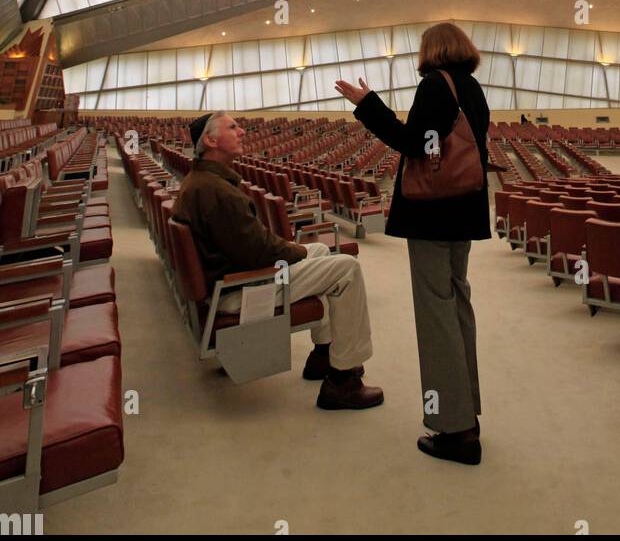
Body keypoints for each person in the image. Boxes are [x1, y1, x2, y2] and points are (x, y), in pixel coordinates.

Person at [336, 23, 490, 466]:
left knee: (436, 314)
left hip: (433, 215)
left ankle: (454, 429)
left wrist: (368, 106)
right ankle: (467, 415)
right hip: (464, 212)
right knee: (457, 304)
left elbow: (413, 144)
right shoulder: (473, 88)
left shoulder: (434, 87)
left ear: (431, 50)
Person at [170, 112, 382, 410]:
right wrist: (298, 251)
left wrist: (296, 249)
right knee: (346, 268)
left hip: (234, 278)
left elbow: (252, 244)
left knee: (322, 252)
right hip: (241, 291)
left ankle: (323, 353)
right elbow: (259, 251)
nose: (242, 131)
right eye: (233, 127)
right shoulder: (216, 191)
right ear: (211, 140)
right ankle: (343, 381)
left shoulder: (204, 181)